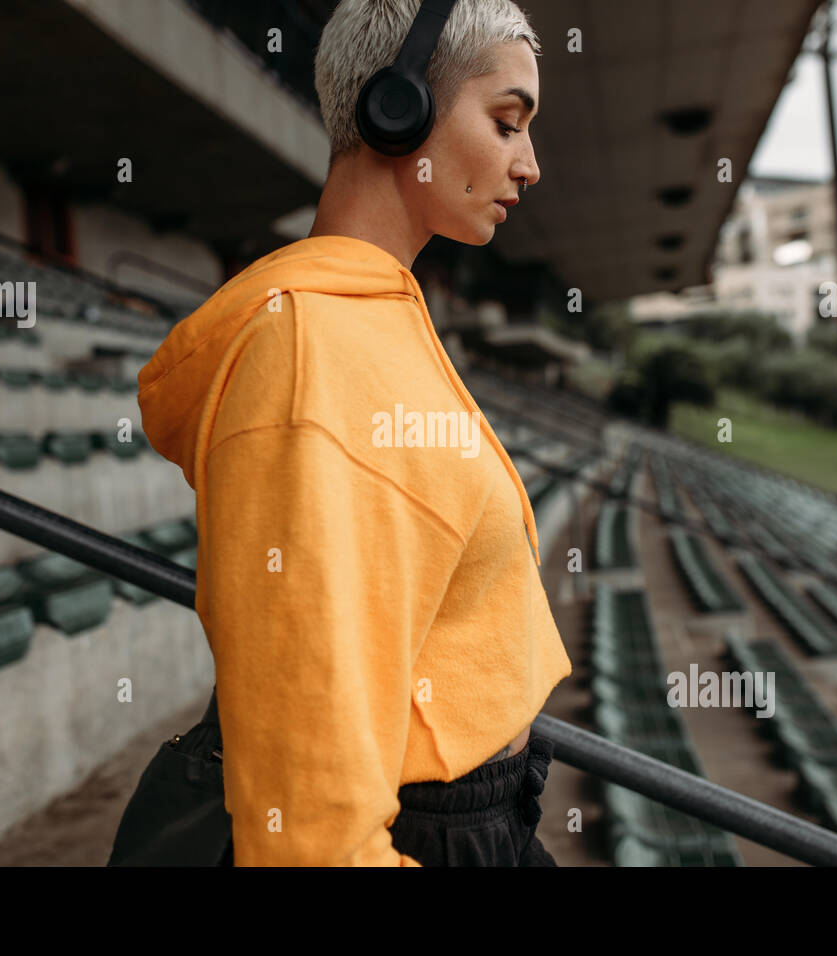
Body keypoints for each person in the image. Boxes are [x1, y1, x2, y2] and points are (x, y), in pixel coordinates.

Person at [135, 0, 570, 866]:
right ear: (397, 107)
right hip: (429, 832)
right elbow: (310, 827)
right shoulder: (304, 350)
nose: (529, 165)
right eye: (506, 122)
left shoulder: (373, 317)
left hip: (487, 815)